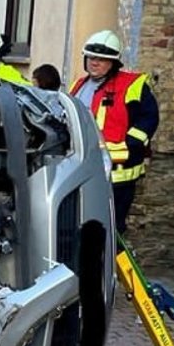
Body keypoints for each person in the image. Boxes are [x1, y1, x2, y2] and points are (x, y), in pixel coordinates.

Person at [69, 29, 159, 237]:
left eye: (102, 59)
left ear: (114, 63)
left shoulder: (132, 85)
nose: (95, 62)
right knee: (82, 225)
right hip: (83, 168)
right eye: (91, 57)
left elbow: (148, 119)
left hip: (119, 174)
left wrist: (129, 145)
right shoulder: (77, 86)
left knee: (112, 227)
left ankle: (111, 267)